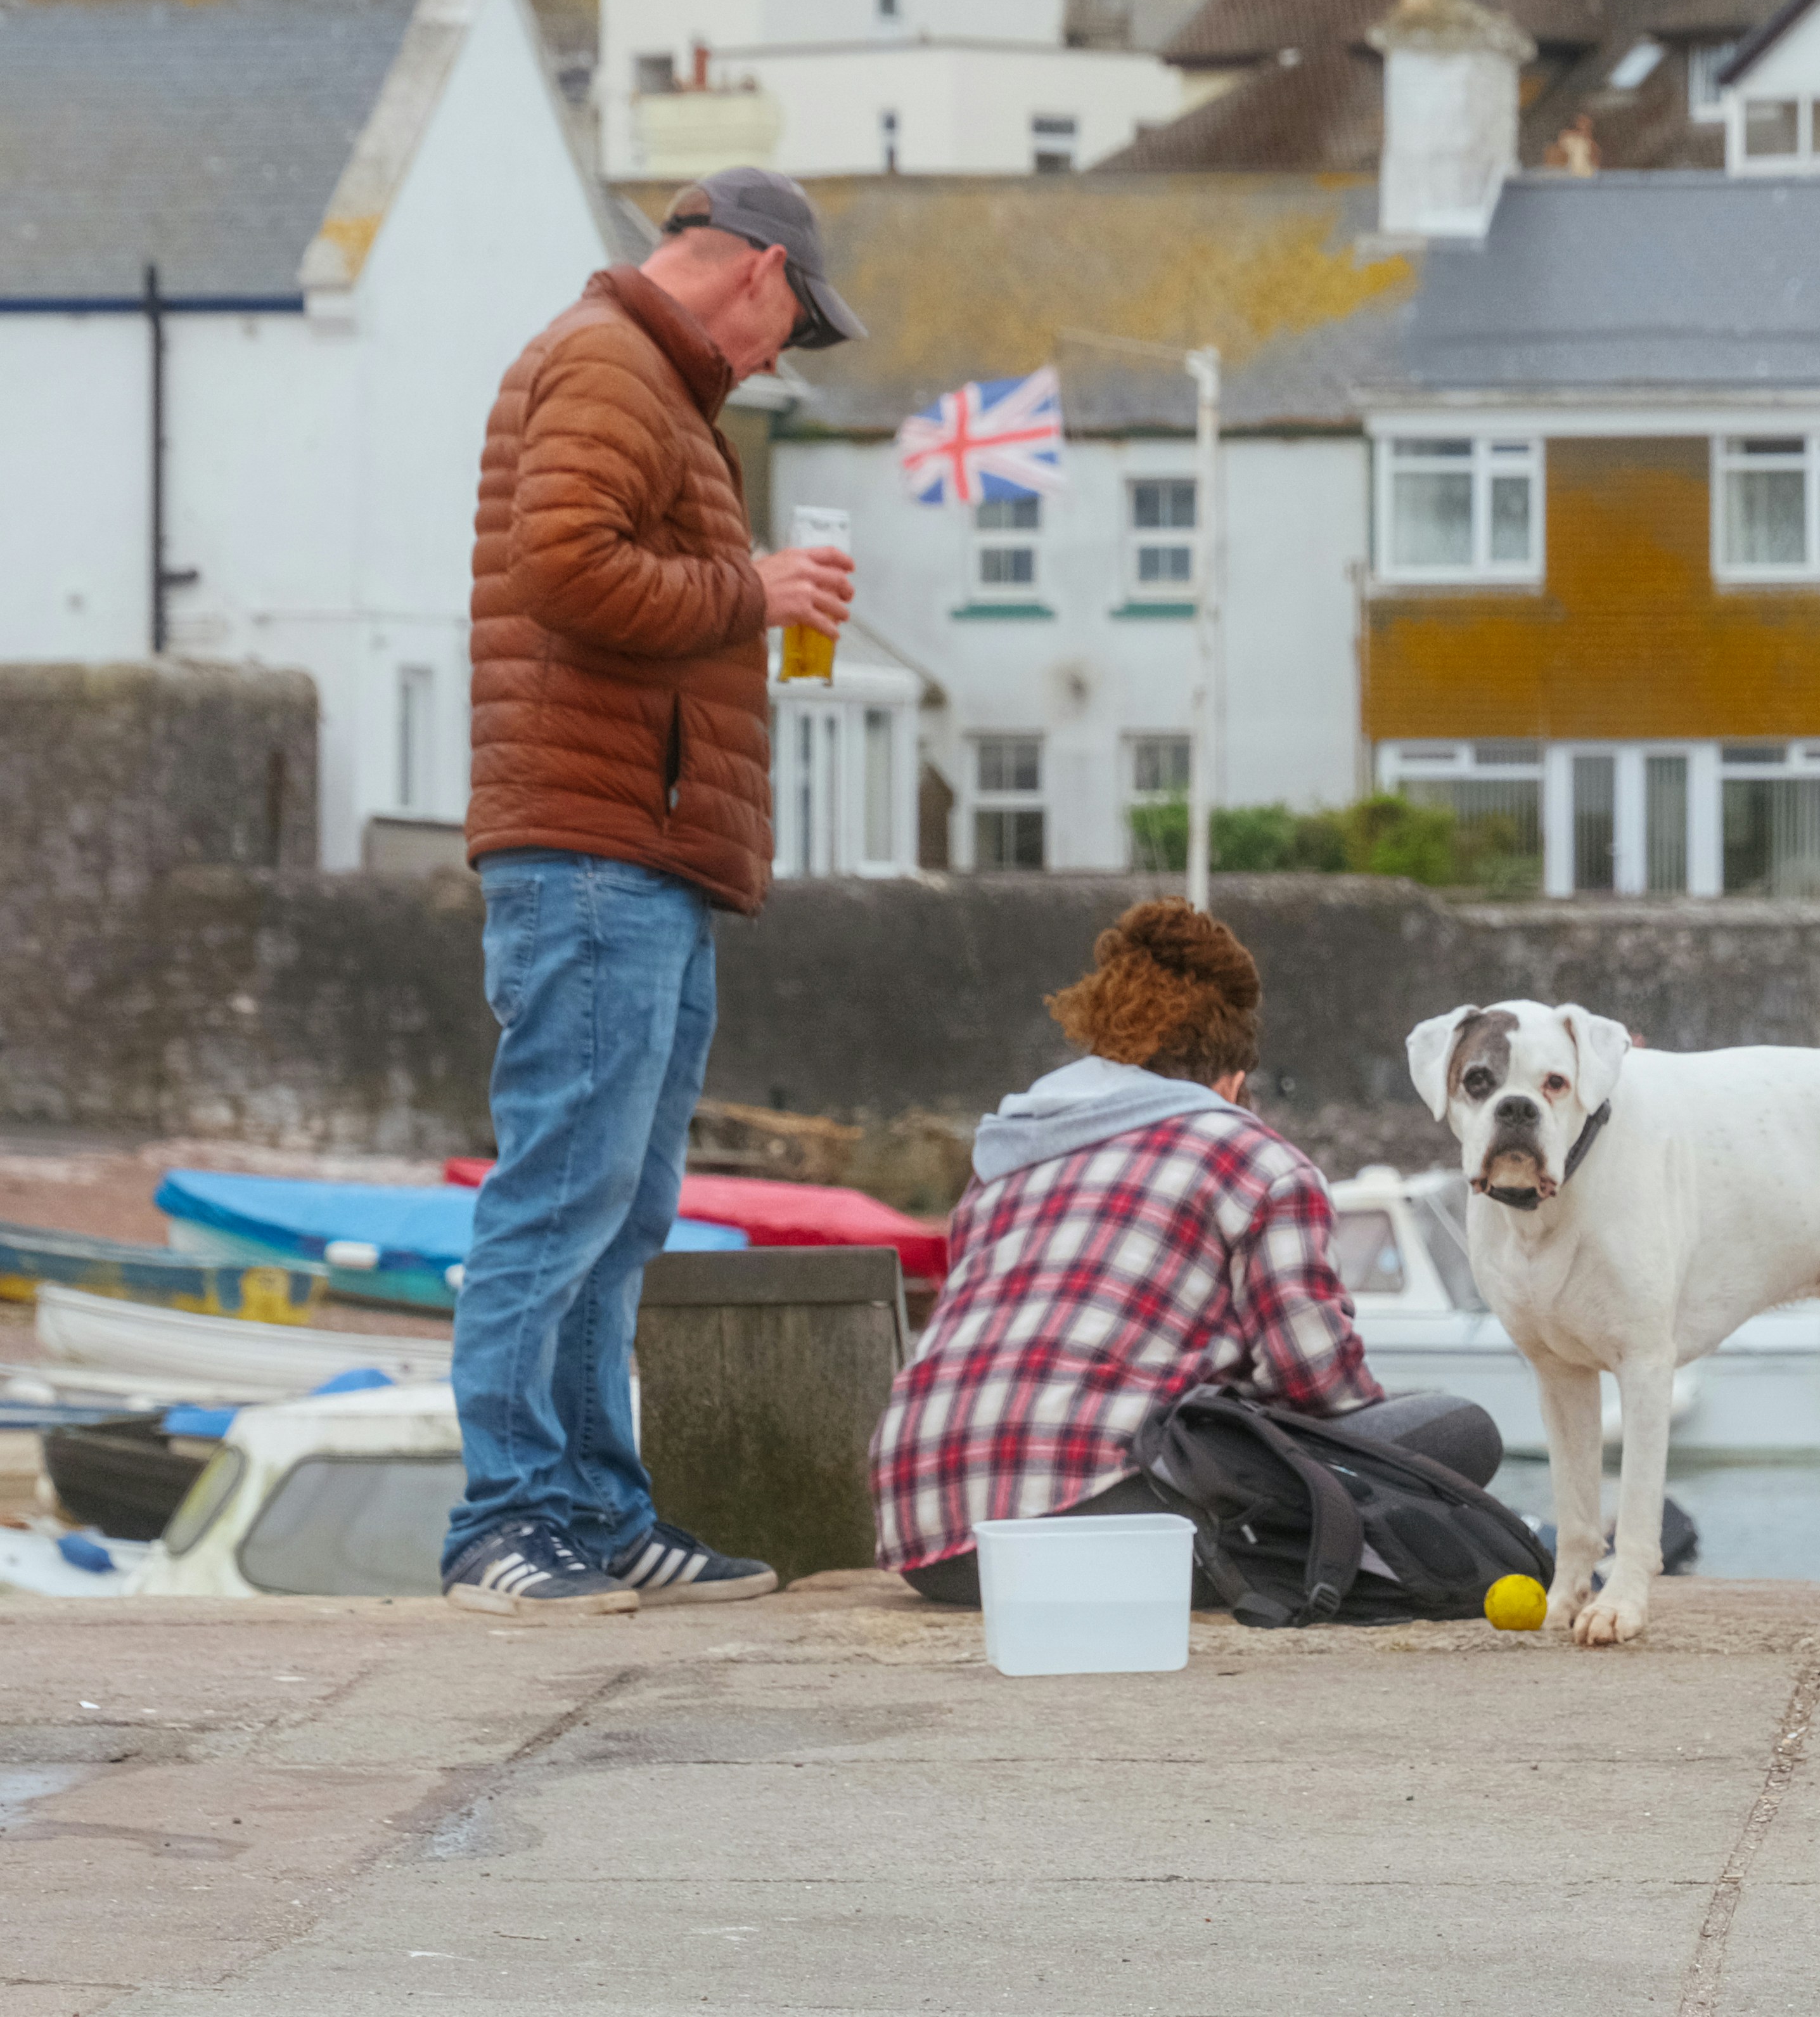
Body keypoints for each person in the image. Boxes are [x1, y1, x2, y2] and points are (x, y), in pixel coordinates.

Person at [443, 167, 865, 1617]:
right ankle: (503, 1521)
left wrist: (743, 591)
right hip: (593, 851)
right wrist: (755, 591)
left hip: (642, 852)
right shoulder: (611, 361)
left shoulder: (649, 381)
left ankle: (595, 1514)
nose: (780, 357)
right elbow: (566, 570)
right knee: (561, 1194)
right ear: (761, 272)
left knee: (616, 1210)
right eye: (795, 326)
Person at [875, 900, 1503, 1607]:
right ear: (1231, 1079)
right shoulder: (1254, 1159)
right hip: (1097, 1531)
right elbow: (1320, 1387)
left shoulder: (1004, 1159)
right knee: (1458, 1431)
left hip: (930, 1541)